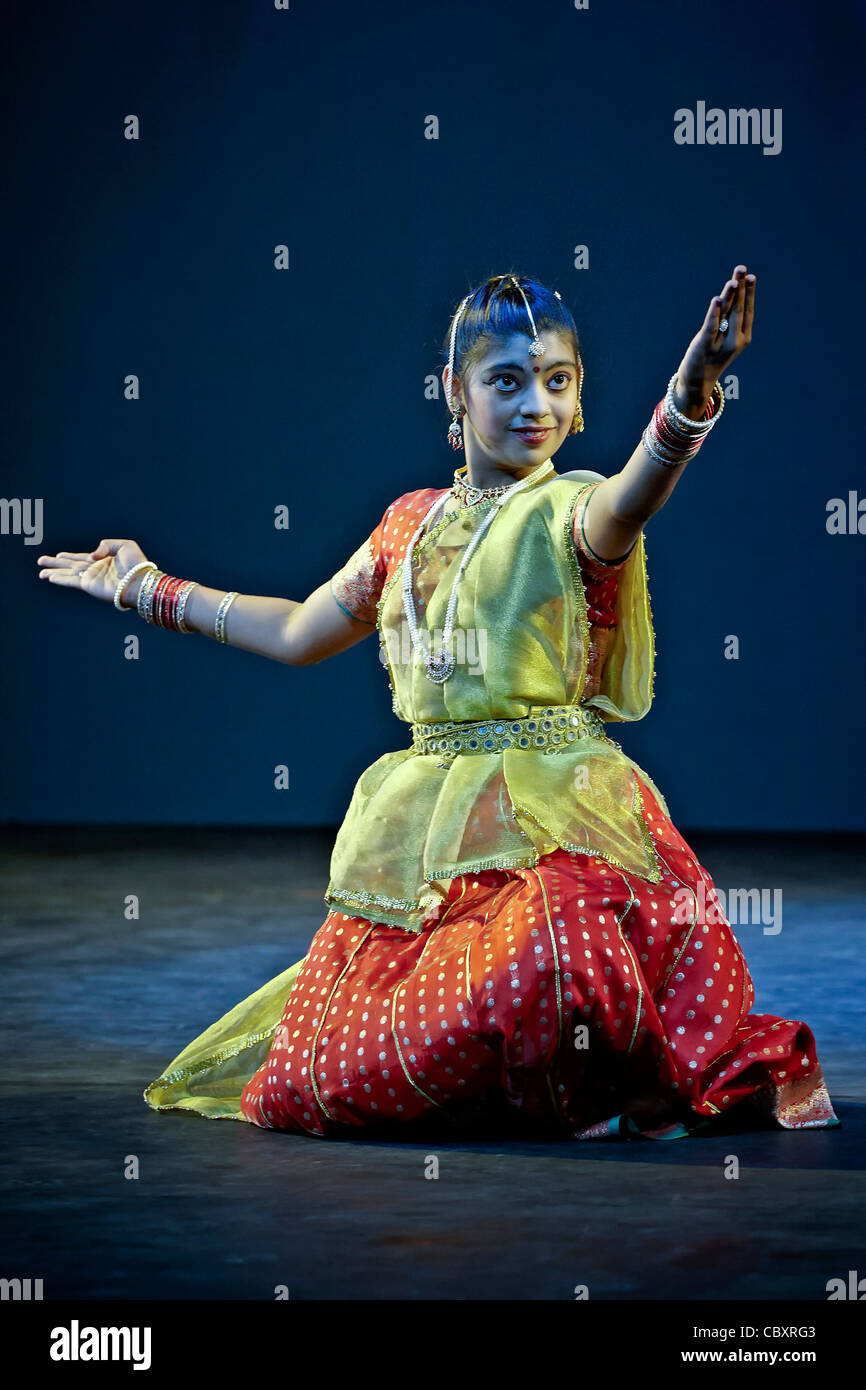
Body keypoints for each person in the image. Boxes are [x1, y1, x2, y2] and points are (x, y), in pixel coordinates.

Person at [36, 267, 840, 1141]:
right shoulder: (406, 522)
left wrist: (692, 391)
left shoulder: (575, 511)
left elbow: (640, 486)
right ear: (455, 393)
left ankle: (589, 1081)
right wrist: (147, 589)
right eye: (507, 381)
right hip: (429, 824)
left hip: (557, 813)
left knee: (557, 955)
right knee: (307, 1082)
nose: (536, 404)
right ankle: (526, 1082)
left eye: (558, 382)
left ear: (579, 398)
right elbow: (302, 629)